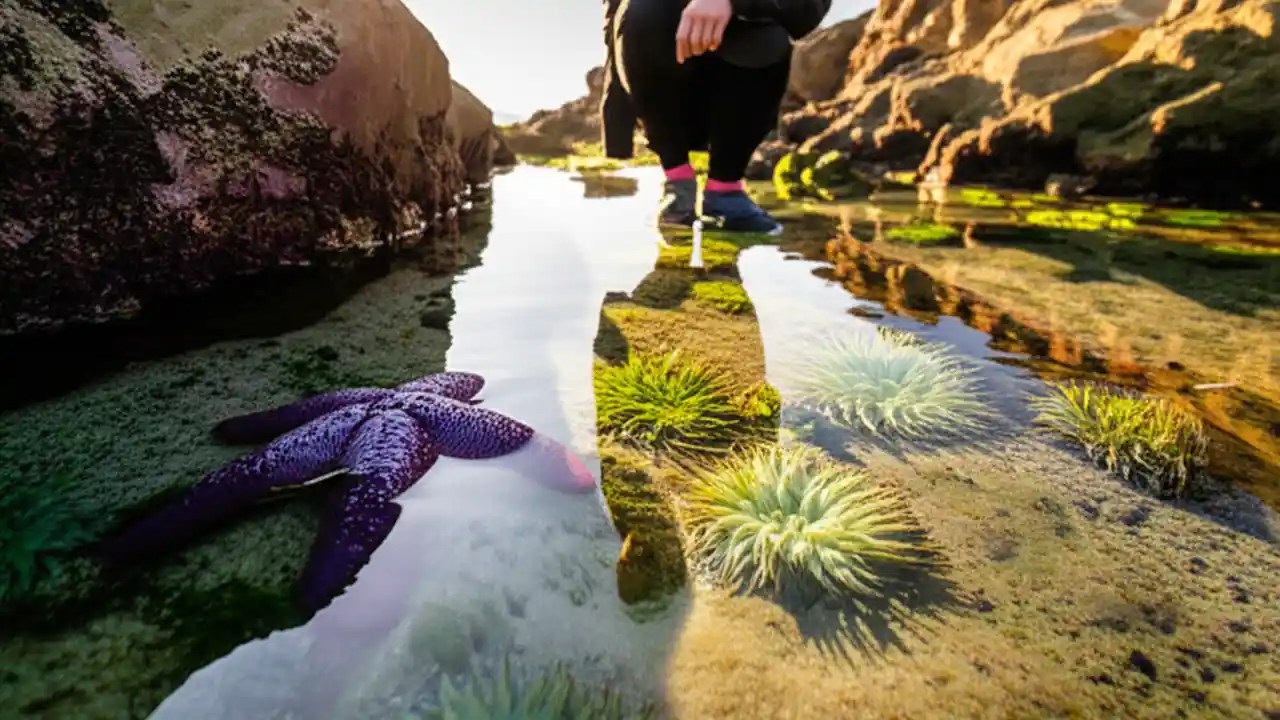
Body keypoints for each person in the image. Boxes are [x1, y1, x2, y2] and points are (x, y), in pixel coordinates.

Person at [600, 0, 831, 234]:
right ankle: (677, 180)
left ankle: (725, 188)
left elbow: (808, 12)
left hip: (739, 78)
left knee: (769, 36)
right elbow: (615, 19)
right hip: (668, 85)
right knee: (644, 8)